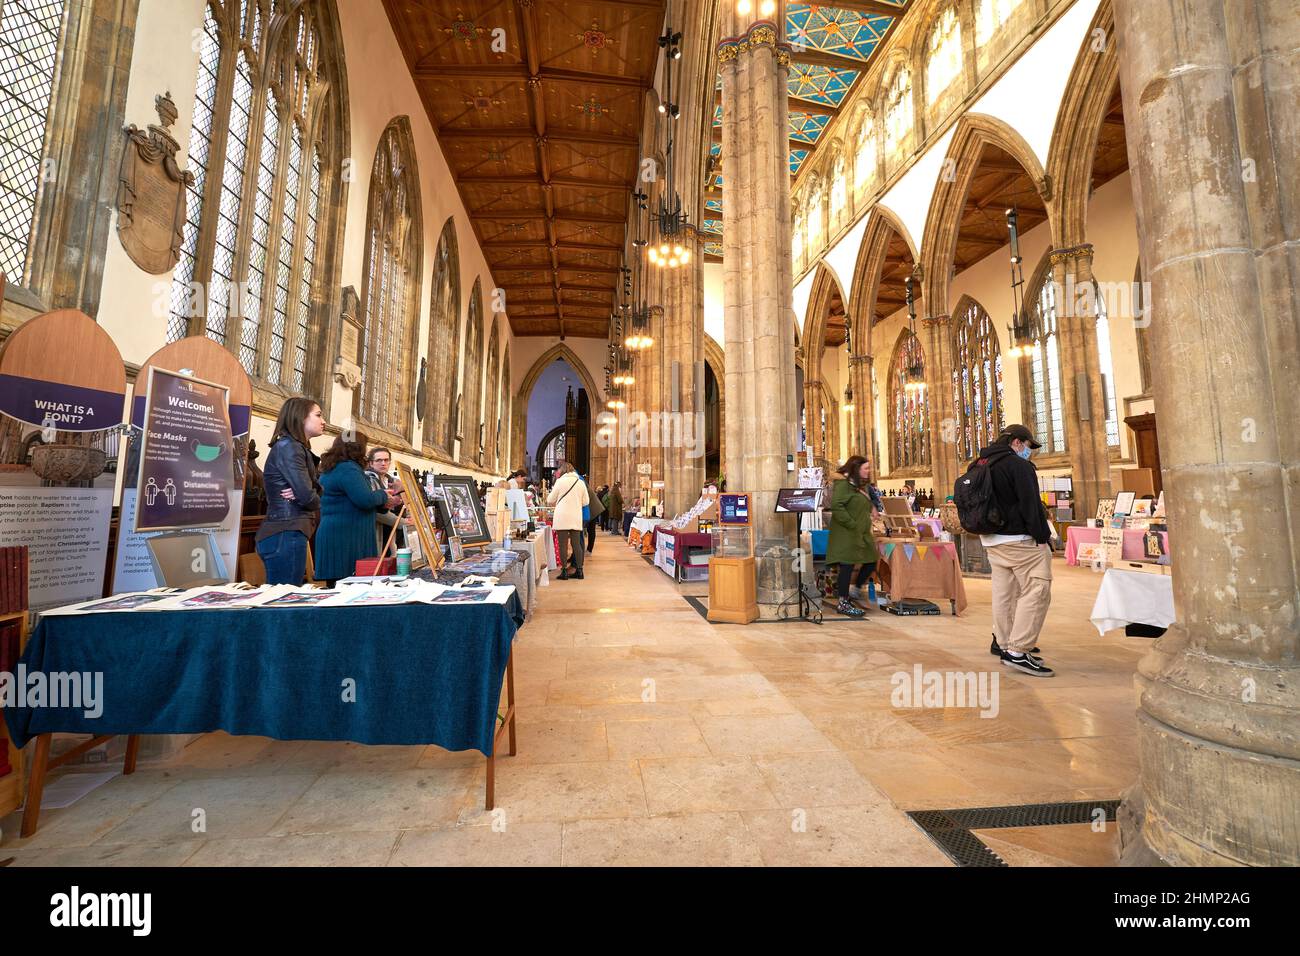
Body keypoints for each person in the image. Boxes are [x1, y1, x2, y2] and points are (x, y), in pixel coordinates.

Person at [978, 423, 1055, 677]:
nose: (1029, 452)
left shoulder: (980, 463)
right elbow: (1031, 505)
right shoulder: (1017, 466)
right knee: (1037, 588)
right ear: (1017, 442)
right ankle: (1018, 650)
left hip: (991, 540)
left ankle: (1003, 643)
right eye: (1029, 447)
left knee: (1004, 593)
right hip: (1019, 540)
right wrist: (1043, 536)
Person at [314, 432, 400, 586]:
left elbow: (354, 498)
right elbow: (364, 500)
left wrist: (381, 503)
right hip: (345, 538)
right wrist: (382, 495)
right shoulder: (348, 469)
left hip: (342, 533)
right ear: (357, 448)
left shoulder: (336, 467)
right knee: (346, 587)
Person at [256, 397, 324, 585]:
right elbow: (310, 498)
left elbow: (311, 492)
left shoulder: (295, 447)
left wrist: (309, 490)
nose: (323, 421)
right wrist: (308, 492)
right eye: (318, 415)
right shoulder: (290, 448)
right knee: (284, 601)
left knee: (287, 598)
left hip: (288, 529)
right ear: (301, 417)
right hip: (285, 530)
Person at [827, 455, 880, 618]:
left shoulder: (860, 485)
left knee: (871, 558)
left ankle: (855, 590)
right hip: (846, 532)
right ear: (856, 469)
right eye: (866, 468)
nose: (868, 471)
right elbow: (837, 505)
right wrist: (851, 523)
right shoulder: (843, 484)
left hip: (861, 532)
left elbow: (860, 500)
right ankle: (843, 602)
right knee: (847, 565)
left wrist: (871, 507)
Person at [547, 460, 589, 580]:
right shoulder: (580, 482)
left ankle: (564, 571)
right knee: (576, 544)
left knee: (563, 544)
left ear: (563, 471)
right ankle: (580, 571)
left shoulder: (560, 482)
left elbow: (550, 499)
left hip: (562, 517)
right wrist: (575, 502)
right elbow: (586, 501)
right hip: (575, 516)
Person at [585, 478, 606, 552]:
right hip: (593, 509)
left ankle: (589, 549)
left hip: (593, 510)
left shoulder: (585, 488)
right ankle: (589, 549)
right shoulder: (585, 487)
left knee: (591, 530)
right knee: (591, 530)